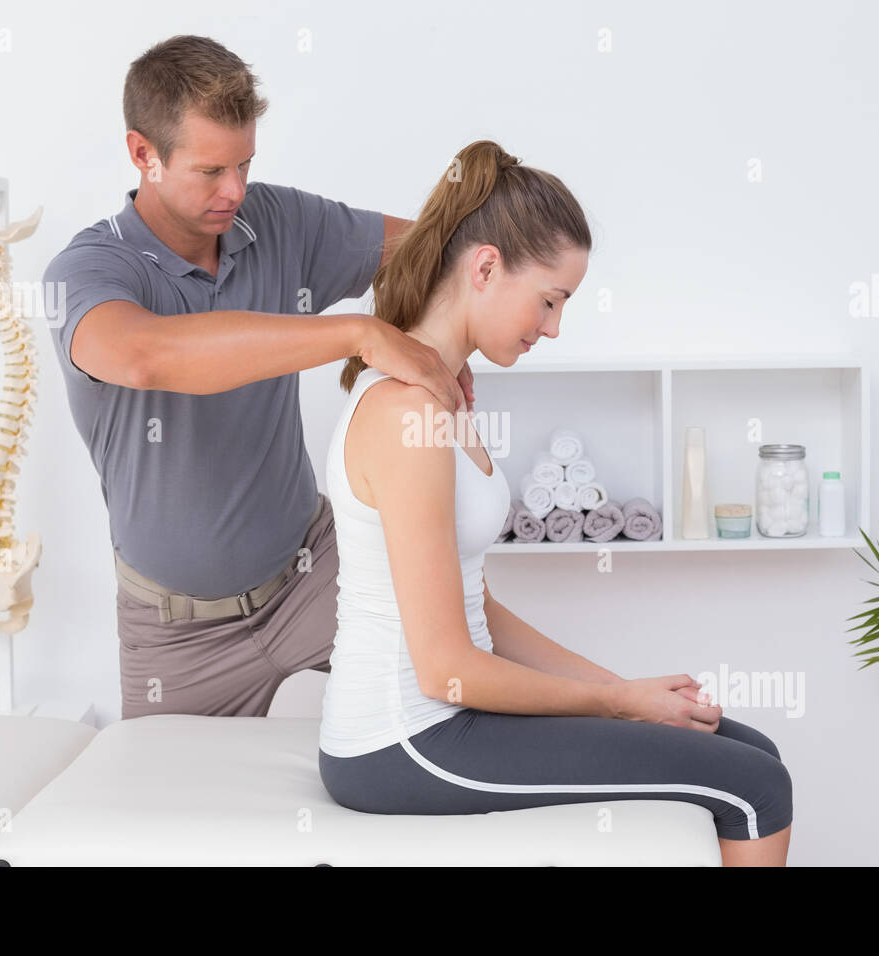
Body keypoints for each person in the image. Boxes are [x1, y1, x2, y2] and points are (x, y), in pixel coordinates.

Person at [318, 140, 794, 866]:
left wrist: (621, 687)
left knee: (751, 749)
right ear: (484, 268)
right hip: (403, 741)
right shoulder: (404, 413)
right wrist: (619, 705)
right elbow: (446, 668)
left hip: (442, 719)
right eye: (549, 299)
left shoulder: (444, 395)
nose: (553, 327)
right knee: (753, 786)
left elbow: (476, 606)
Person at [42, 35, 474, 720]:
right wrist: (361, 334)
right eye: (210, 170)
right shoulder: (89, 270)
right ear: (142, 154)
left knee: (470, 681)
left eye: (245, 163)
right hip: (176, 634)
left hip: (315, 575)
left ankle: (627, 713)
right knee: (171, 824)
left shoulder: (275, 220)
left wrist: (450, 332)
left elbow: (439, 254)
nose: (235, 191)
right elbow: (146, 355)